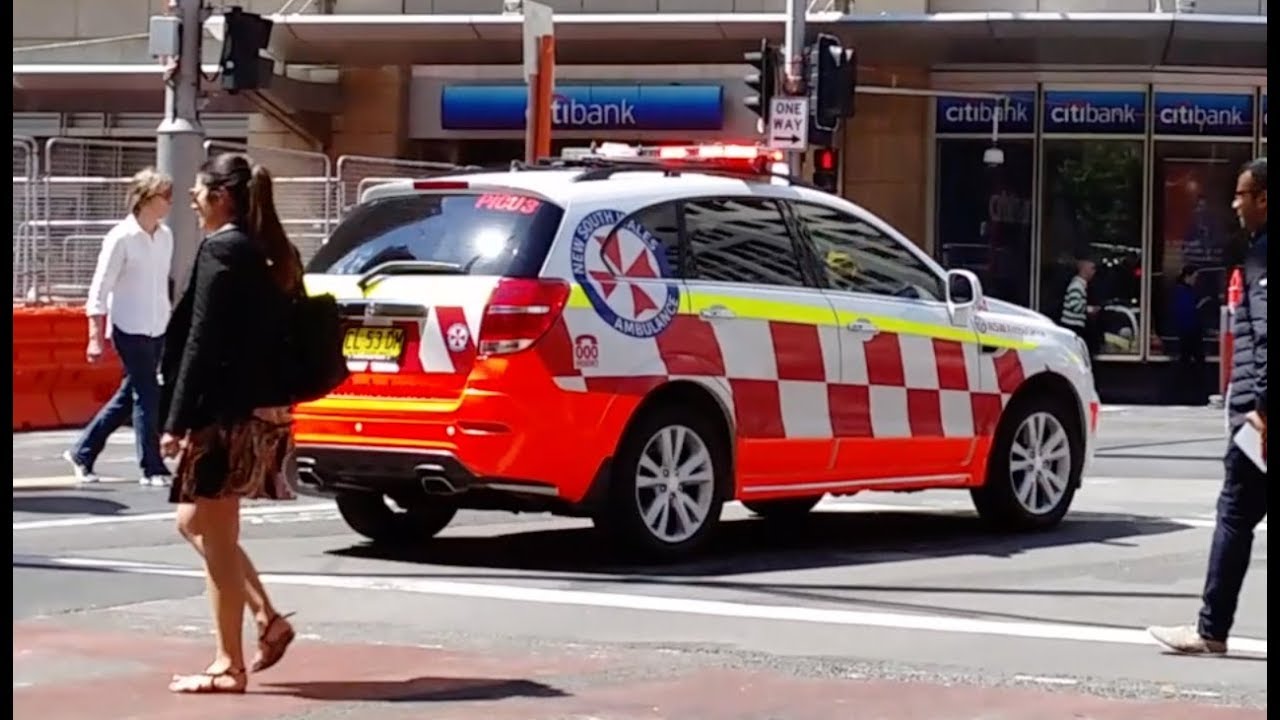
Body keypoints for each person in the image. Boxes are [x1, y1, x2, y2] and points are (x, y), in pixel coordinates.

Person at [160, 153, 302, 693]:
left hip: (223, 416)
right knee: (196, 523)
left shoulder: (223, 250)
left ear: (221, 198)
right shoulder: (270, 251)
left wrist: (176, 421)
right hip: (254, 412)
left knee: (214, 535)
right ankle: (268, 618)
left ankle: (228, 664)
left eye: (198, 192)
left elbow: (202, 341)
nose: (192, 200)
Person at [1148, 157, 1267, 655]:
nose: (1235, 203)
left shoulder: (1263, 257)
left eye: (1242, 194)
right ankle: (1211, 628)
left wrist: (1262, 409)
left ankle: (1210, 630)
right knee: (1236, 514)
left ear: (1264, 198)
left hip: (1259, 415)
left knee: (1234, 514)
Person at [64, 168, 174, 487]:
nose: (169, 202)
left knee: (131, 395)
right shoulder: (120, 238)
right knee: (147, 394)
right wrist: (95, 337)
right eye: (164, 196)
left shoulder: (165, 237)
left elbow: (160, 284)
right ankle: (151, 466)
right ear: (146, 199)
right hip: (129, 327)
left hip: (157, 326)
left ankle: (82, 452)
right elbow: (100, 288)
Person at [1169, 264, 1206, 405]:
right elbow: (1186, 313)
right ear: (1187, 277)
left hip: (1188, 331)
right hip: (1189, 332)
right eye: (1194, 277)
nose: (1195, 281)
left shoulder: (1183, 291)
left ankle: (1183, 392)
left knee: (1186, 361)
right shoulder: (1183, 292)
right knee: (1191, 362)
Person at [1058, 257, 1100, 355]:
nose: (1094, 272)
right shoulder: (1077, 286)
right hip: (1072, 325)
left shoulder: (1080, 285)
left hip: (1075, 325)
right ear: (1084, 269)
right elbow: (1075, 305)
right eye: (1092, 268)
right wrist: (1090, 309)